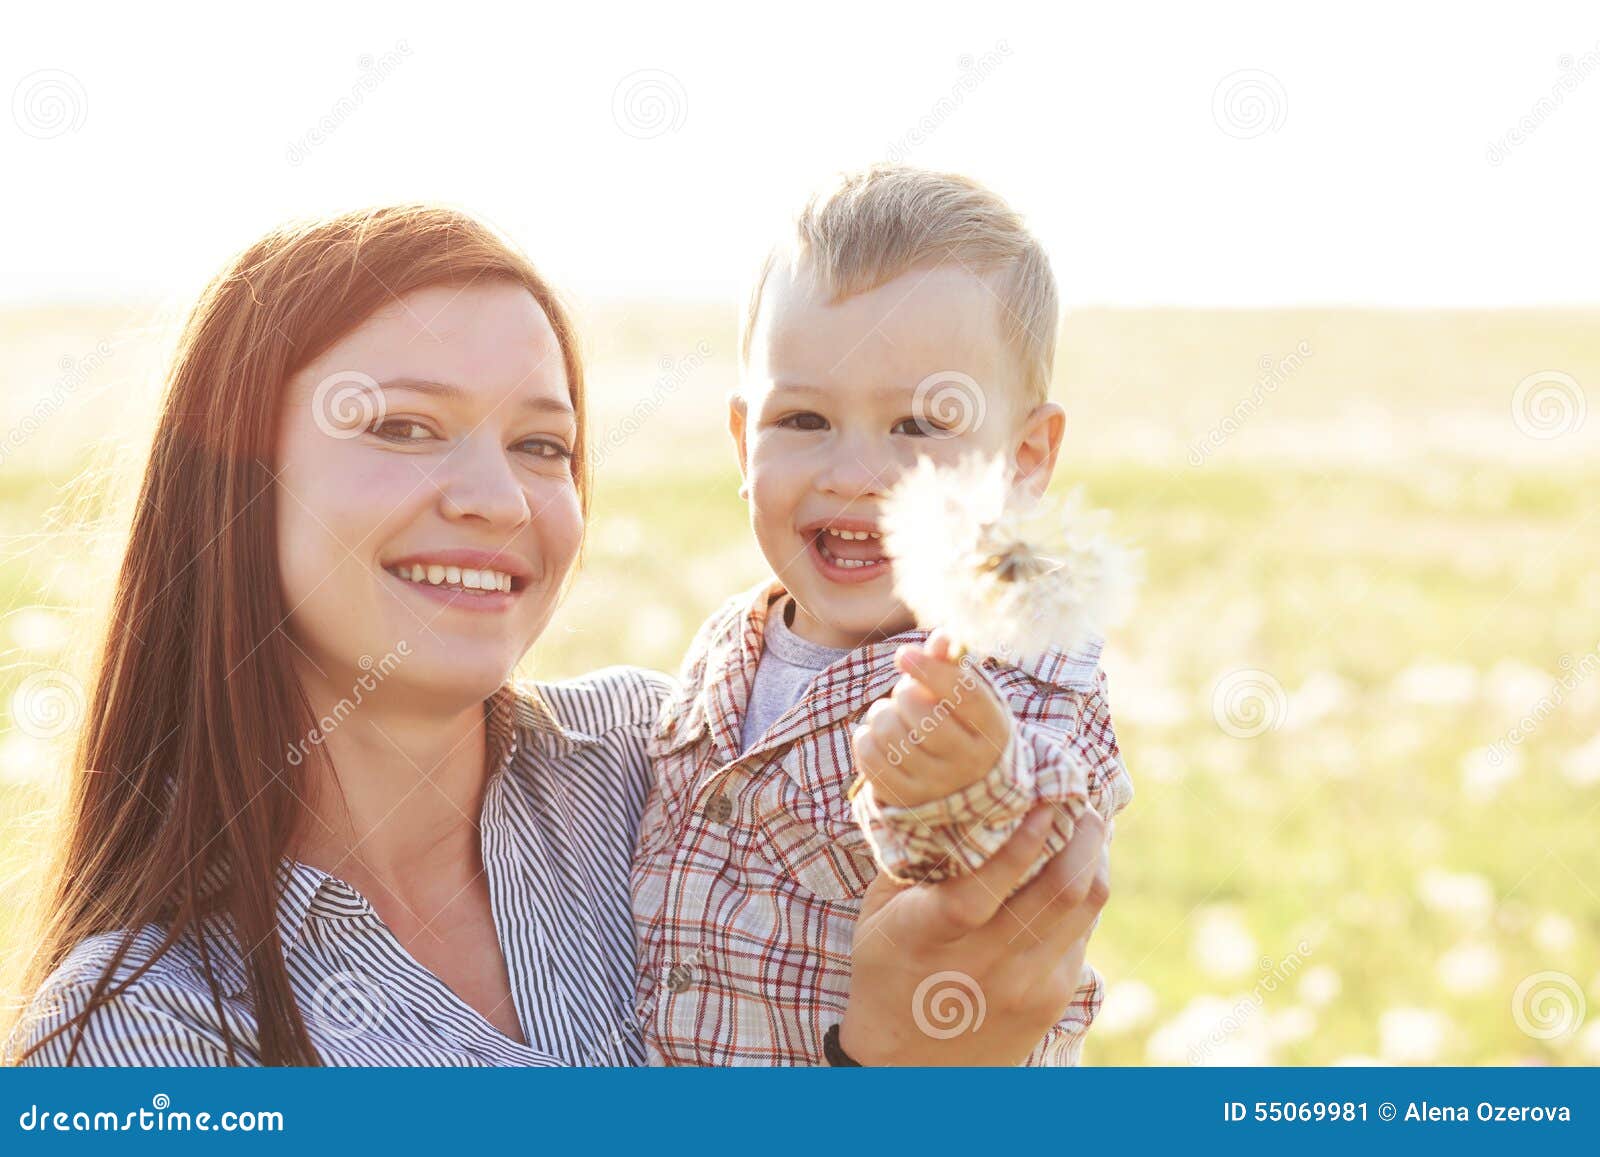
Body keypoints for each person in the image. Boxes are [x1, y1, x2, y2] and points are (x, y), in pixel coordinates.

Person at [6, 204, 1110, 1067]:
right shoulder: (134, 1039)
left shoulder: (666, 756)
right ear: (236, 481)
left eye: (543, 446)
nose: (496, 496)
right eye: (404, 426)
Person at [632, 166, 1132, 1065]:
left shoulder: (1011, 667)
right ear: (744, 442)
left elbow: (1052, 836)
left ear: (1023, 459)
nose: (854, 471)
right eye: (804, 418)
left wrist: (976, 776)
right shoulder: (725, 647)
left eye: (915, 426)